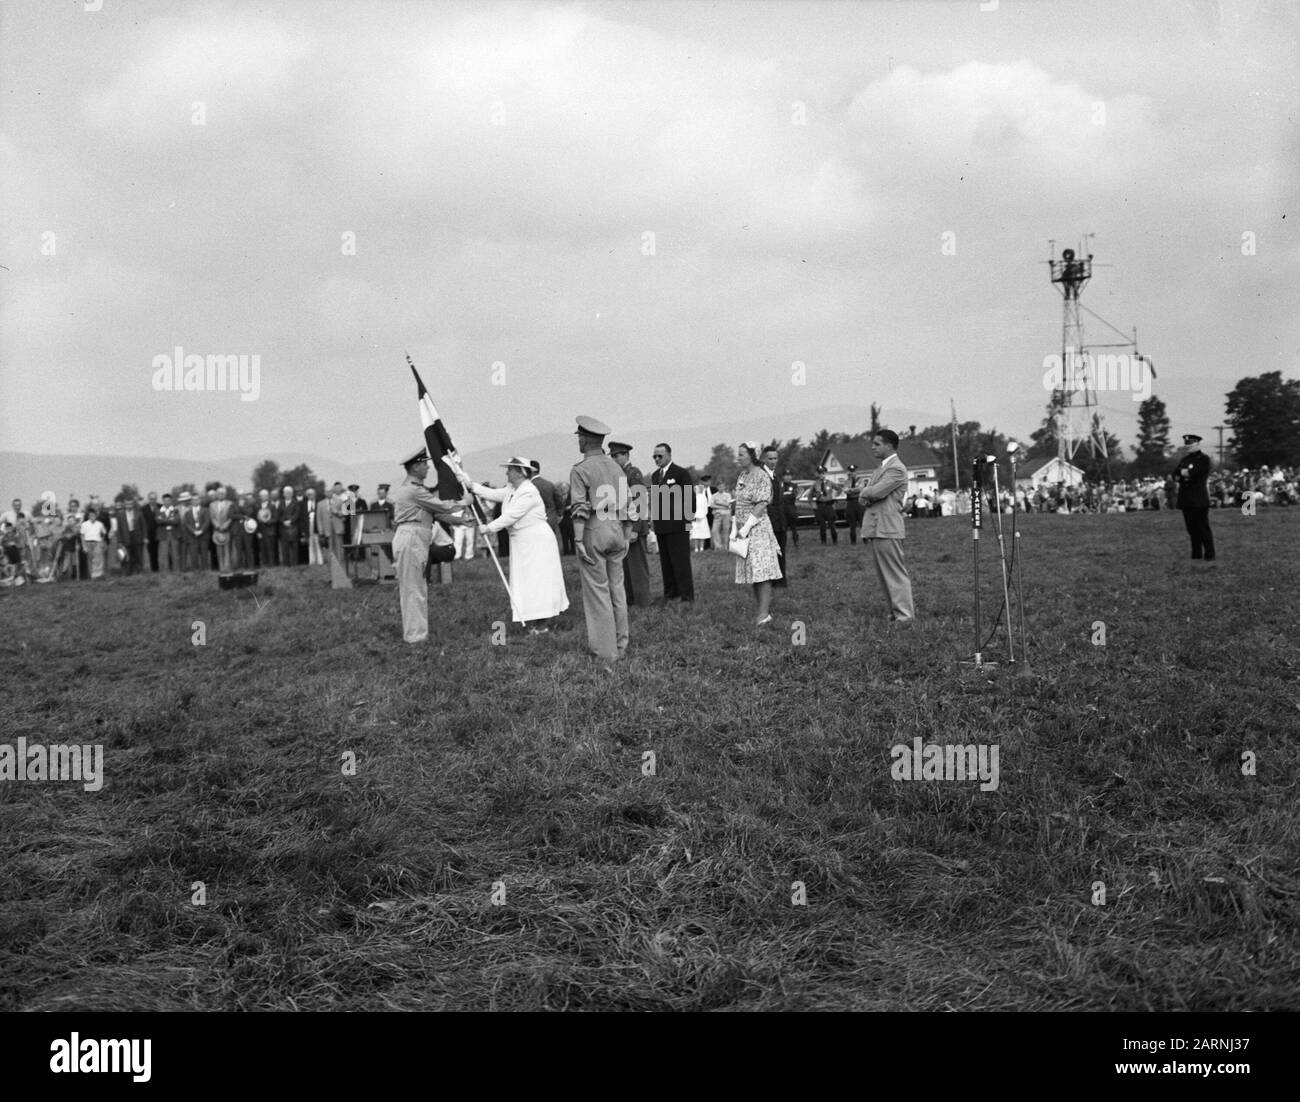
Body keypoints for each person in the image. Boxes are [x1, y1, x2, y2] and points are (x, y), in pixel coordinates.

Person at [465, 457, 569, 633]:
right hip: (524, 543)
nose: (507, 472)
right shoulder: (512, 489)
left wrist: (489, 528)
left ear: (520, 472)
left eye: (510, 469)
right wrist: (471, 485)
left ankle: (542, 624)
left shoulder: (529, 491)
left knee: (540, 581)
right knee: (528, 582)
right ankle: (534, 620)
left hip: (537, 542)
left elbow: (512, 515)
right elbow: (492, 494)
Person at [390, 448, 473, 644]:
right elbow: (441, 506)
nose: (428, 467)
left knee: (416, 587)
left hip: (415, 537)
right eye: (424, 464)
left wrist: (459, 521)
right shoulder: (413, 490)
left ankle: (417, 633)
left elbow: (435, 513)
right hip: (412, 538)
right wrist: (464, 502)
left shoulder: (415, 490)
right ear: (415, 467)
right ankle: (415, 637)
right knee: (413, 589)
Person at [569, 416, 631, 664]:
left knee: (597, 592)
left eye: (580, 437)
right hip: (616, 527)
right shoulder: (616, 467)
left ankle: (605, 653)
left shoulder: (580, 469)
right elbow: (629, 504)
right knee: (617, 590)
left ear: (584, 439)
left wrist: (578, 540)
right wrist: (627, 533)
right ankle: (621, 645)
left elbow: (579, 508)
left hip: (594, 529)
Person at [857, 429, 915, 627]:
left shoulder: (896, 468)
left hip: (887, 527)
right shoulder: (882, 468)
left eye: (877, 444)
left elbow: (876, 492)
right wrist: (867, 493)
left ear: (889, 446)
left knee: (894, 574)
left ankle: (905, 616)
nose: (873, 447)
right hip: (878, 527)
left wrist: (863, 492)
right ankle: (895, 613)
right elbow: (871, 493)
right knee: (885, 575)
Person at [731, 441, 783, 625]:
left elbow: (761, 505)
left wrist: (746, 528)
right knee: (753, 572)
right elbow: (739, 503)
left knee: (761, 571)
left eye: (741, 454)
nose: (738, 458)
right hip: (743, 528)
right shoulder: (743, 475)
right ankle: (761, 611)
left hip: (757, 529)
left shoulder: (761, 476)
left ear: (752, 456)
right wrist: (736, 528)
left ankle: (764, 614)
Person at [649, 442, 695, 605]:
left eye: (660, 456)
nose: (657, 459)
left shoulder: (681, 473)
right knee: (666, 563)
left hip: (678, 526)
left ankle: (686, 595)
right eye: (654, 456)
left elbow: (690, 500)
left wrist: (687, 525)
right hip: (661, 526)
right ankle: (670, 593)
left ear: (669, 455)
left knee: (680, 562)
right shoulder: (655, 476)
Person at [609, 440, 652, 607]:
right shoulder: (619, 474)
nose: (614, 459)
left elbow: (640, 502)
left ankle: (643, 601)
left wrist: (635, 528)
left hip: (634, 526)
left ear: (626, 455)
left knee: (637, 567)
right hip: (623, 525)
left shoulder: (633, 473)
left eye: (617, 455)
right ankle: (631, 599)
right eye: (612, 456)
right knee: (626, 567)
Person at [1174, 433, 1215, 565]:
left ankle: (1209, 554)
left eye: (1190, 443)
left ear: (1197, 444)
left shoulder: (1203, 459)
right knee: (1191, 528)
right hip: (1186, 498)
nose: (1187, 446)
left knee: (1202, 527)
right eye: (1186, 444)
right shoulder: (1184, 460)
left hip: (1198, 498)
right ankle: (1196, 554)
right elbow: (1175, 475)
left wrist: (1185, 474)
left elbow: (1197, 473)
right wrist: (1185, 474)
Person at [760, 446, 789, 588]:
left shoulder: (776, 476)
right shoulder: (760, 476)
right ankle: (770, 582)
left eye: (775, 458)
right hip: (767, 519)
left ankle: (781, 581)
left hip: (780, 520)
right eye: (770, 458)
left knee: (780, 551)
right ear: (764, 459)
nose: (773, 461)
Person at [529, 461, 562, 545]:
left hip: (534, 521)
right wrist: (559, 514)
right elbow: (559, 500)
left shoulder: (528, 486)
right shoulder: (549, 484)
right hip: (551, 519)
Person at [210, 487, 234, 572]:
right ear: (217, 495)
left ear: (225, 494)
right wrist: (217, 526)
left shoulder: (230, 503)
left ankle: (227, 568)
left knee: (227, 549)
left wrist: (226, 524)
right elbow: (212, 517)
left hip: (227, 529)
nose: (221, 495)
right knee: (219, 550)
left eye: (223, 493)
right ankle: (221, 568)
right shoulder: (212, 504)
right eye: (219, 493)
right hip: (217, 530)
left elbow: (231, 516)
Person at [80, 508, 107, 579]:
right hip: (88, 542)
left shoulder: (100, 524)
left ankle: (98, 574)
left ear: (96, 516)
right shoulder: (84, 524)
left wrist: (102, 542)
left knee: (98, 559)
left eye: (93, 515)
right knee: (90, 559)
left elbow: (104, 533)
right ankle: (91, 574)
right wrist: (84, 546)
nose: (92, 517)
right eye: (90, 515)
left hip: (97, 542)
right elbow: (82, 536)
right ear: (88, 516)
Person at [814, 468, 838, 544]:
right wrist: (813, 504)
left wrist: (834, 497)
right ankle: (823, 541)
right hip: (820, 506)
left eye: (823, 473)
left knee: (831, 524)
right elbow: (810, 495)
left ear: (825, 474)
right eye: (820, 473)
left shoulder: (830, 483)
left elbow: (839, 489)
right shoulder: (815, 484)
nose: (821, 475)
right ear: (818, 474)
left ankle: (835, 540)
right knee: (822, 525)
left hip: (829, 505)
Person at [691, 475, 712, 552]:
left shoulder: (703, 497)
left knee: (703, 532)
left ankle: (702, 547)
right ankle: (696, 547)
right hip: (695, 517)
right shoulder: (693, 498)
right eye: (696, 489)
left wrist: (703, 515)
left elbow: (705, 507)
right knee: (695, 532)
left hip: (703, 516)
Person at [843, 465, 863, 544]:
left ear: (856, 472)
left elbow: (860, 489)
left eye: (853, 471)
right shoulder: (847, 481)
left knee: (862, 522)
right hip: (850, 502)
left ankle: (865, 539)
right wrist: (854, 490)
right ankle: (853, 541)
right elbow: (845, 490)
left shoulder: (860, 480)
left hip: (859, 502)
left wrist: (850, 490)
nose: (852, 473)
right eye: (851, 471)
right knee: (852, 523)